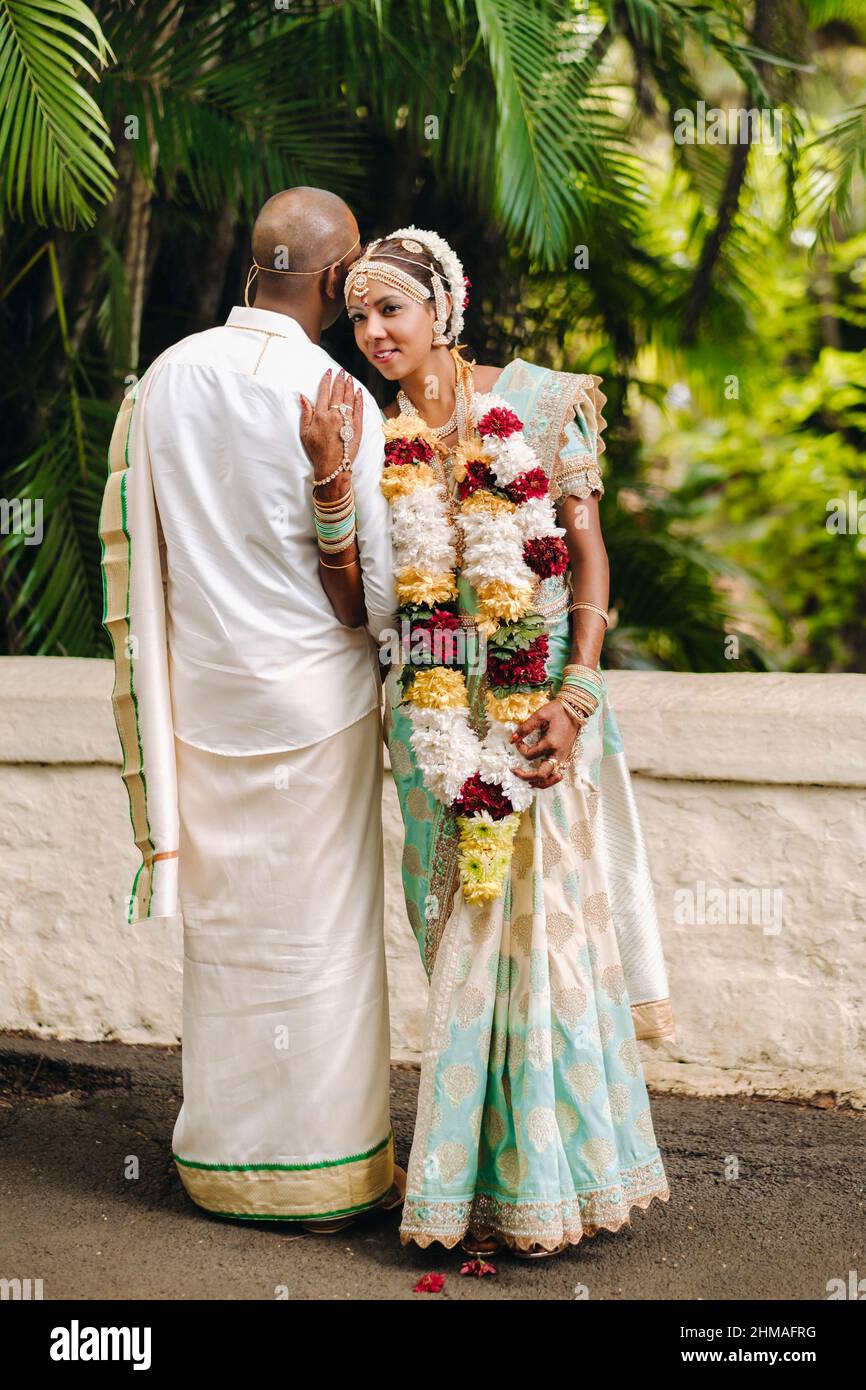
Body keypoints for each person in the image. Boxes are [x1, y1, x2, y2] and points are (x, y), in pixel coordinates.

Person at [307, 226, 676, 1257]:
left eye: (392, 308)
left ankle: (549, 1184)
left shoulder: (545, 404)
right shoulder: (373, 439)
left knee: (542, 946)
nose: (374, 331)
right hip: (429, 717)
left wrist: (575, 693)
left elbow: (590, 559)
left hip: (539, 710)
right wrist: (333, 489)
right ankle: (472, 1188)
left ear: (443, 307)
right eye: (358, 316)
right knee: (462, 941)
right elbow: (360, 612)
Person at [98, 187, 404, 1229]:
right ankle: (327, 1168)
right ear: (335, 279)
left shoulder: (164, 378)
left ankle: (225, 1158)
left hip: (204, 706)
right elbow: (368, 591)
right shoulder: (339, 395)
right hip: (316, 711)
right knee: (321, 941)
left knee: (229, 945)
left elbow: (149, 562)